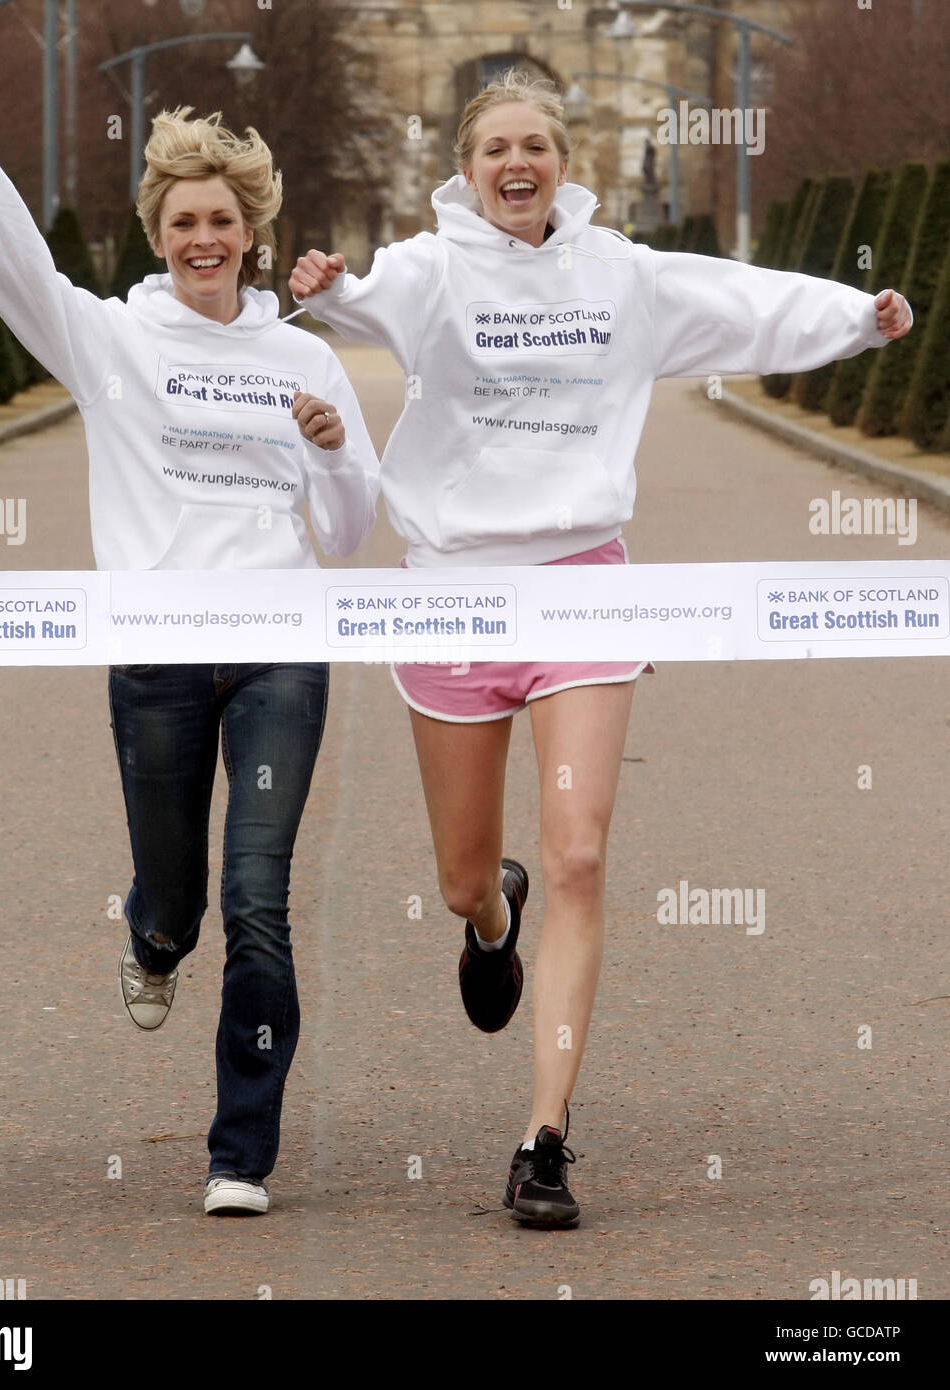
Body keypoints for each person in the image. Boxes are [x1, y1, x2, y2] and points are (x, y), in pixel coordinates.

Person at [289, 69, 912, 1229]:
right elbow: (365, 299)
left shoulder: (621, 274)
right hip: (453, 598)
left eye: (535, 146)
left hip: (582, 589)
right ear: (466, 172)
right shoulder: (432, 271)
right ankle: (491, 922)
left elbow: (736, 303)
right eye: (494, 151)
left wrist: (851, 316)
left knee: (576, 854)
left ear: (562, 162)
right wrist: (327, 288)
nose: (515, 165)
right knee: (466, 874)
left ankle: (544, 1137)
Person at [0, 41, 380, 1217]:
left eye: (221, 218)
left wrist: (329, 451)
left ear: (252, 231)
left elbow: (353, 530)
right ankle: (154, 936)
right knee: (177, 899)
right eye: (182, 221)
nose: (202, 239)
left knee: (260, 898)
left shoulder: (303, 359)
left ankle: (239, 1152)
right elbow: (15, 270)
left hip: (277, 650)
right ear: (157, 232)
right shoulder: (112, 343)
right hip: (158, 655)